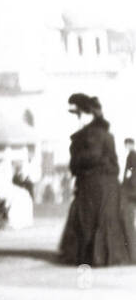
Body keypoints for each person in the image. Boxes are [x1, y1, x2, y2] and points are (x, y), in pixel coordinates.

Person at [58, 94, 134, 267]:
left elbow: (91, 156)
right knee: (98, 221)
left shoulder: (92, 135)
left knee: (94, 220)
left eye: (80, 115)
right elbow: (111, 164)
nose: (78, 120)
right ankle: (100, 256)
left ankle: (97, 257)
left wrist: (76, 160)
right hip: (103, 187)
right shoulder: (104, 134)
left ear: (90, 114)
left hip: (97, 188)